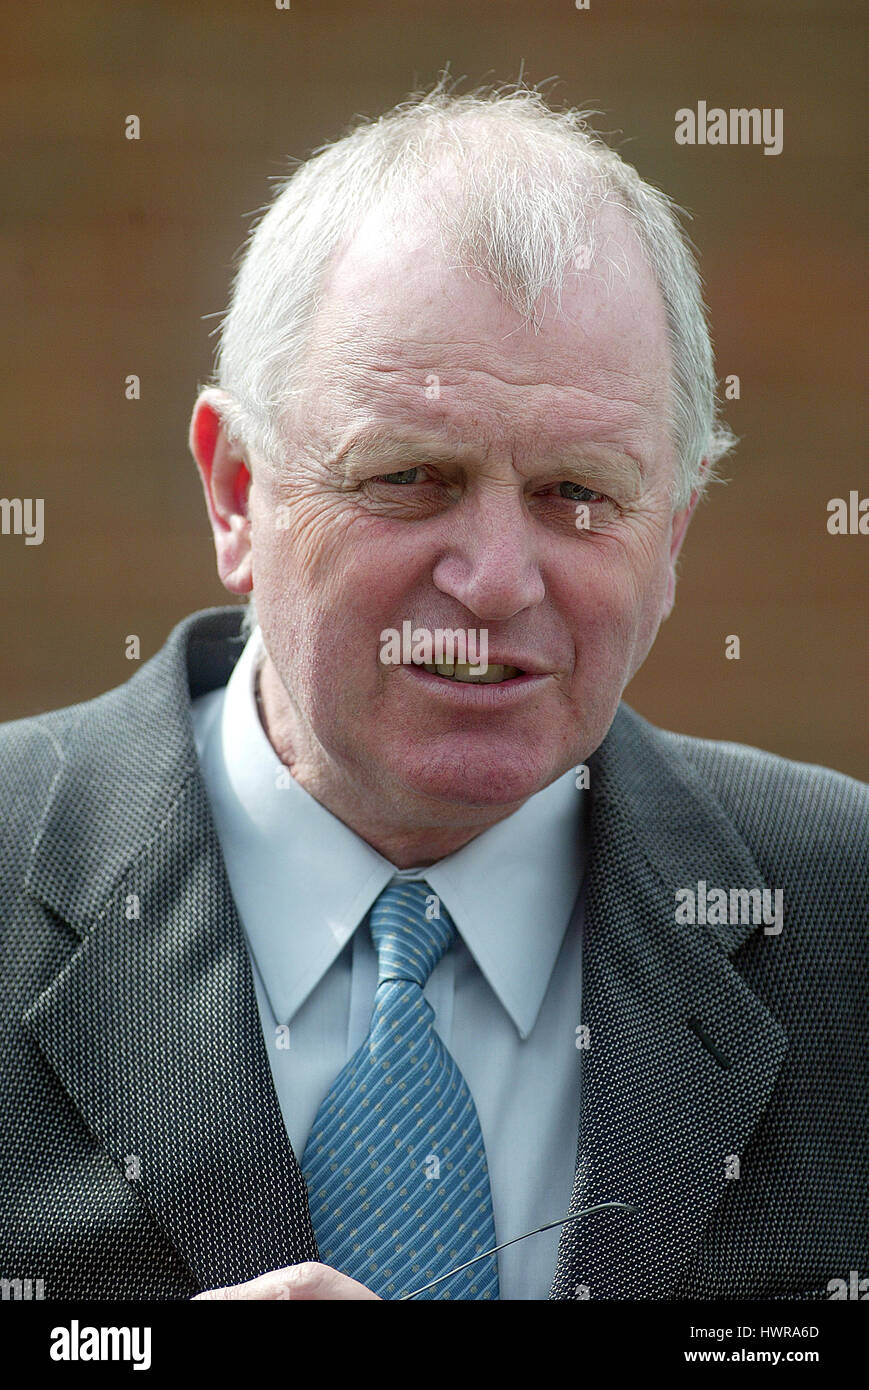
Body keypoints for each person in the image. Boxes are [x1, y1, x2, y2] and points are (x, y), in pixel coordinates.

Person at [1, 85, 865, 1302]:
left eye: (578, 492)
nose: (499, 579)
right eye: (410, 475)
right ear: (237, 492)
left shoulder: (840, 916)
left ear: (668, 540)